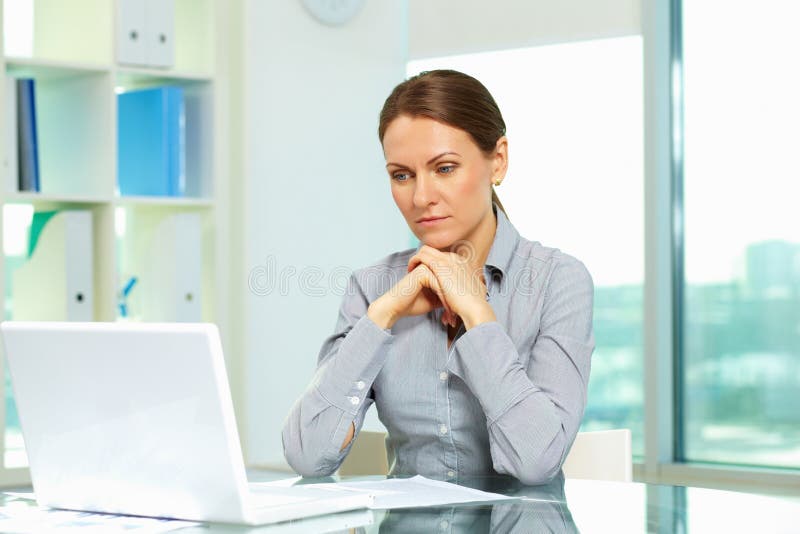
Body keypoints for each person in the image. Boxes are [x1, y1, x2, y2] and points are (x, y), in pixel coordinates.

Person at [282, 69, 594, 485]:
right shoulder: (372, 289)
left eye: (444, 168)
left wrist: (478, 317)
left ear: (497, 160)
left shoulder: (559, 281)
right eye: (402, 175)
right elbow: (307, 455)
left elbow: (536, 463)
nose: (421, 197)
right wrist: (383, 316)